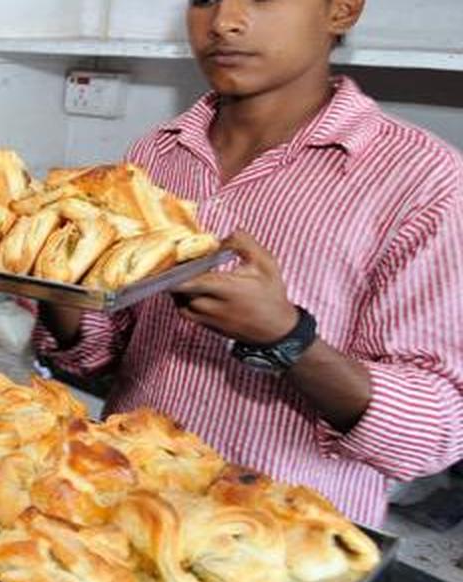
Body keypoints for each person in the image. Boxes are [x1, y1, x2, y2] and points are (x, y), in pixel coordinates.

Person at [34, 0, 462, 526]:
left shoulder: (425, 181)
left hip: (281, 545)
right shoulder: (153, 158)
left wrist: (288, 339)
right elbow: (96, 356)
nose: (222, 21)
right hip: (120, 505)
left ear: (342, 11)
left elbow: (438, 428)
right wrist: (56, 284)